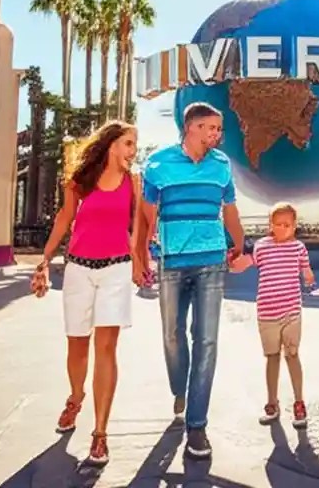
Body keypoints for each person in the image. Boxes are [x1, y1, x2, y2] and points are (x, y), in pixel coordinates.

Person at [133, 102, 244, 459]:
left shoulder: (222, 165)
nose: (217, 134)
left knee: (207, 341)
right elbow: (145, 217)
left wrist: (240, 245)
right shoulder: (159, 164)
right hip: (171, 263)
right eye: (211, 128)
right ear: (192, 127)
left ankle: (197, 426)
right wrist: (139, 258)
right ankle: (179, 386)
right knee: (172, 333)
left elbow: (230, 210)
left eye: (218, 129)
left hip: (212, 262)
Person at [29, 120, 141, 467]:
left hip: (116, 270)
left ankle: (100, 433)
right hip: (78, 269)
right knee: (77, 344)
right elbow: (64, 219)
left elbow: (137, 226)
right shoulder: (79, 181)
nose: (132, 151)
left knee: (106, 346)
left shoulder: (134, 182)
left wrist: (139, 260)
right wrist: (44, 261)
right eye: (127, 143)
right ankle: (76, 397)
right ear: (110, 145)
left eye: (134, 145)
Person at [228, 202, 315, 428]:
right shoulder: (262, 246)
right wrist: (233, 262)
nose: (282, 228)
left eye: (287, 225)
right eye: (277, 224)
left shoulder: (299, 248)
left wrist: (309, 277)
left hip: (291, 312)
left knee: (293, 355)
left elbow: (307, 271)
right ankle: (271, 402)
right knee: (272, 357)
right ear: (270, 225)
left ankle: (299, 402)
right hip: (267, 313)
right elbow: (246, 264)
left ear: (295, 226)